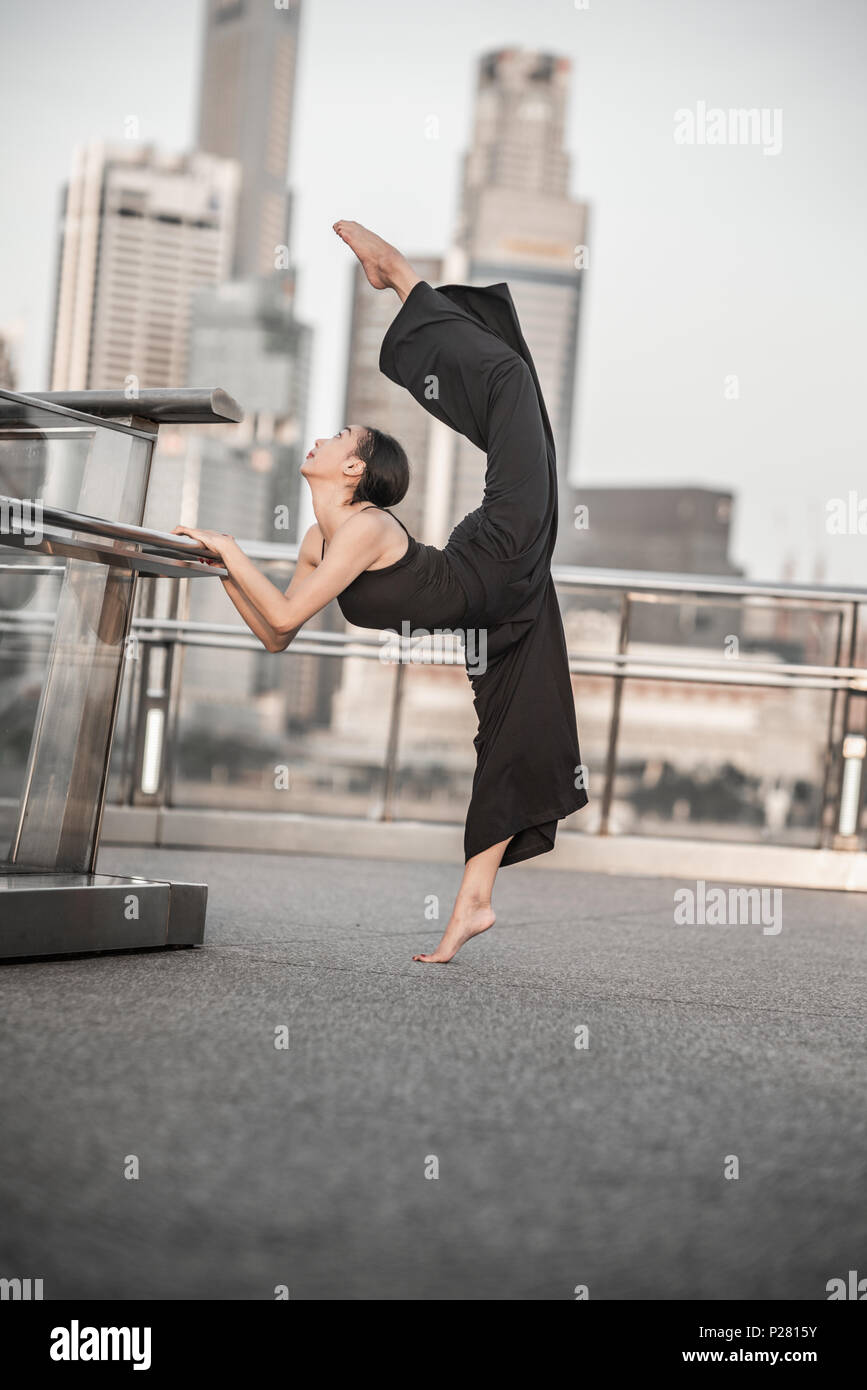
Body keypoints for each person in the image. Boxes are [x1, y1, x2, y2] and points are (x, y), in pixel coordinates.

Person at [173, 221, 588, 963]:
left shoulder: (362, 528)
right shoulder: (319, 542)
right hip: (486, 598)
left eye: (336, 438)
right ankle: (474, 903)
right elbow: (276, 632)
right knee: (510, 733)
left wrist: (232, 551)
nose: (319, 440)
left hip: (499, 552)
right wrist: (223, 569)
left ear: (353, 473)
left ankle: (398, 275)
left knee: (511, 382)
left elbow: (289, 609)